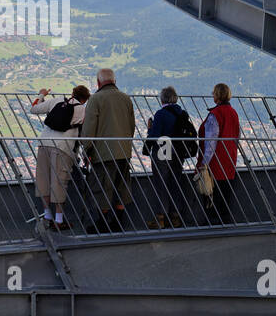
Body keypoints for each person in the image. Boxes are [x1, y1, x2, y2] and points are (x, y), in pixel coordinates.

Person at [81, 68, 136, 234]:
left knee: (102, 188)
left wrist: (86, 149)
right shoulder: (126, 99)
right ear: (114, 81)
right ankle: (118, 222)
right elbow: (131, 126)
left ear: (98, 82)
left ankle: (102, 224)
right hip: (124, 150)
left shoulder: (96, 99)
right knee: (122, 185)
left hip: (103, 153)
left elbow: (89, 129)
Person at [30, 85, 90, 230]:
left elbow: (34, 109)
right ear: (85, 99)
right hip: (62, 148)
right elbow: (82, 133)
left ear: (72, 93)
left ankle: (47, 216)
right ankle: (59, 220)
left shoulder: (56, 101)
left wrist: (41, 94)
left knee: (44, 180)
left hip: (44, 144)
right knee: (59, 182)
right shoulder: (82, 110)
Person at [143, 87, 196, 229]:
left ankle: (160, 218)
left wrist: (149, 129)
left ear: (162, 99)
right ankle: (175, 218)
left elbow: (155, 135)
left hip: (163, 152)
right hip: (178, 153)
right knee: (175, 183)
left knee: (162, 184)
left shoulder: (161, 114)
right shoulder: (182, 113)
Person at [197, 83, 241, 225]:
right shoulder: (233, 112)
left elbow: (211, 142)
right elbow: (236, 136)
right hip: (229, 157)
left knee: (211, 193)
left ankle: (211, 222)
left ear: (217, 96)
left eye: (214, 93)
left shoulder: (215, 115)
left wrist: (204, 163)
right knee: (226, 191)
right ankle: (225, 220)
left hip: (216, 161)